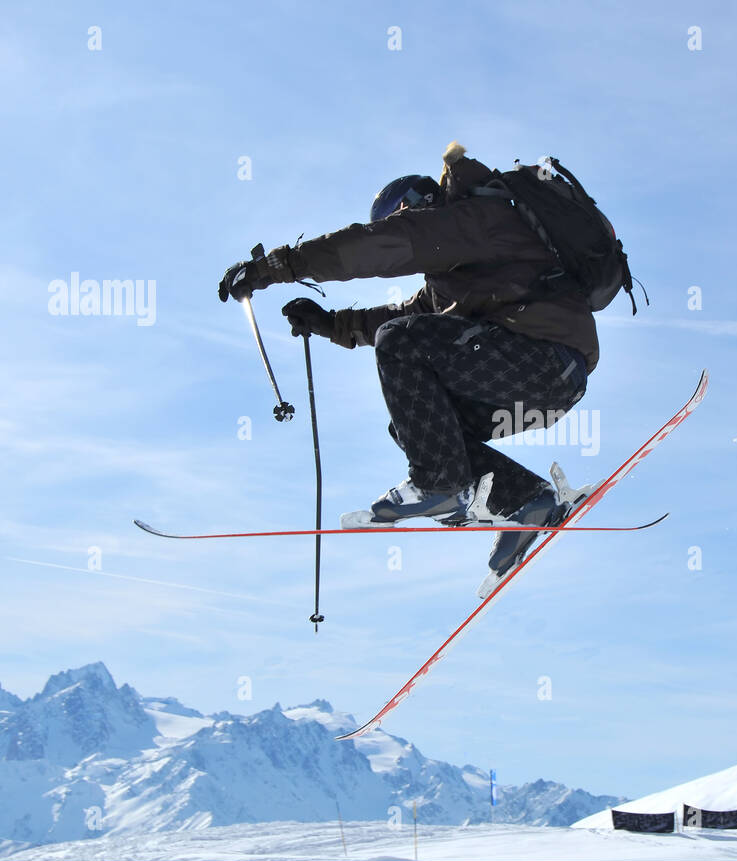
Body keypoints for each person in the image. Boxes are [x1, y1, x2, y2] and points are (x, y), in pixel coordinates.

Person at [217, 143, 597, 587]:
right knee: (417, 426)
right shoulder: (458, 274)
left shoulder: (469, 220)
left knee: (400, 344)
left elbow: (375, 247)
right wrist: (327, 324)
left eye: (398, 219)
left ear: (409, 208)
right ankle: (528, 502)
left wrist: (275, 267)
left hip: (542, 357)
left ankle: (440, 486)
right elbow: (400, 315)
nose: (398, 228)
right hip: (545, 380)